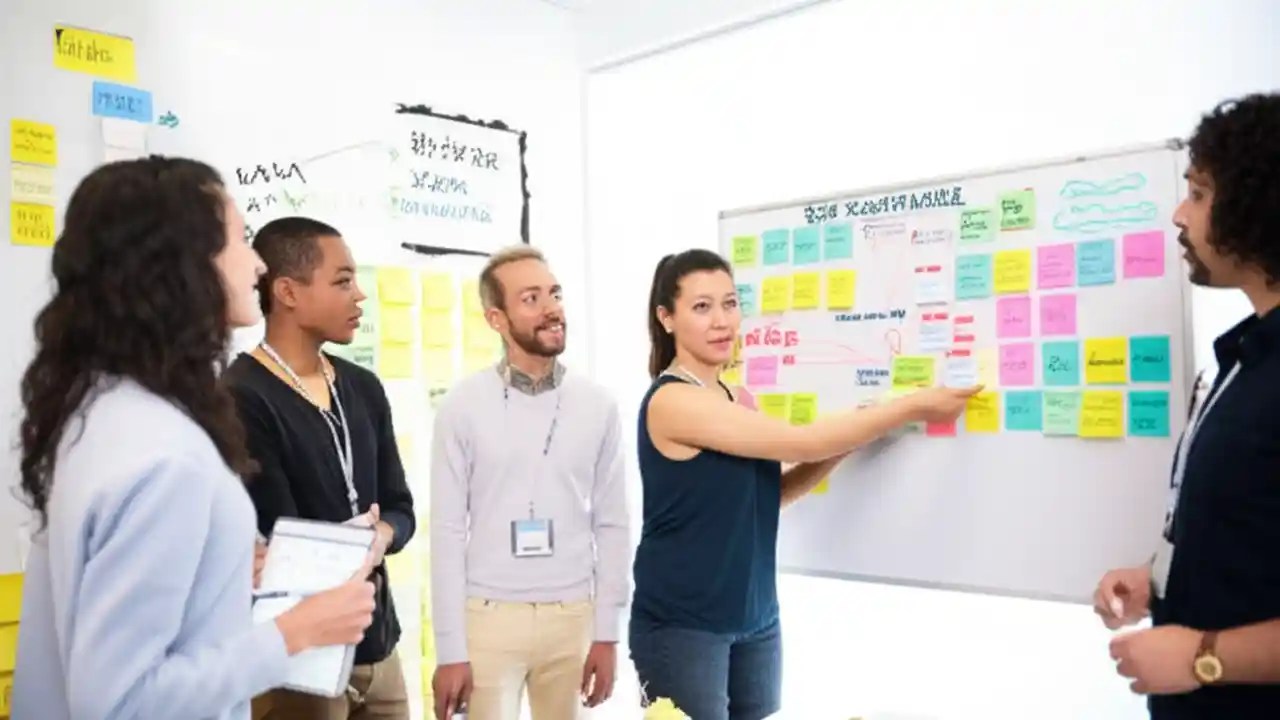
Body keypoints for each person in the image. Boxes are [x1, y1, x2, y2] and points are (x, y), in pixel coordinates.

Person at [10, 157, 376, 720]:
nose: (257, 264)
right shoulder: (164, 458)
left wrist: (224, 571)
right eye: (240, 240)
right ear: (184, 265)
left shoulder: (98, 413)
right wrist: (294, 633)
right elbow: (122, 702)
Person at [630, 249, 980, 720]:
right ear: (666, 318)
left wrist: (847, 442)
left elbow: (772, 494)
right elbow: (803, 442)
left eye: (730, 303)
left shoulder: (737, 397)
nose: (721, 321)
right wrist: (911, 406)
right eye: (702, 307)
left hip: (755, 617)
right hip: (684, 624)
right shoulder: (674, 401)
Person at [1093, 93, 1280, 719]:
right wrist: (1159, 579)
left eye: (1198, 194)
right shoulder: (1246, 355)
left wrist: (1206, 656)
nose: (1179, 214)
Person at [224, 216, 416, 720]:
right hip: (301, 656)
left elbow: (401, 509)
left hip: (379, 647)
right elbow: (279, 538)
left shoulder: (363, 387)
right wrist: (353, 542)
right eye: (343, 281)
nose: (359, 295)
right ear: (288, 291)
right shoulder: (241, 396)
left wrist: (380, 536)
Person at [430, 245, 630, 720]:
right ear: (496, 319)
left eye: (554, 294)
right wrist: (450, 649)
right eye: (531, 298)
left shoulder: (598, 404)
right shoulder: (462, 406)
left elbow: (613, 524)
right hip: (488, 617)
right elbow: (446, 531)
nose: (551, 309)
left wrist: (607, 633)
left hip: (573, 616)